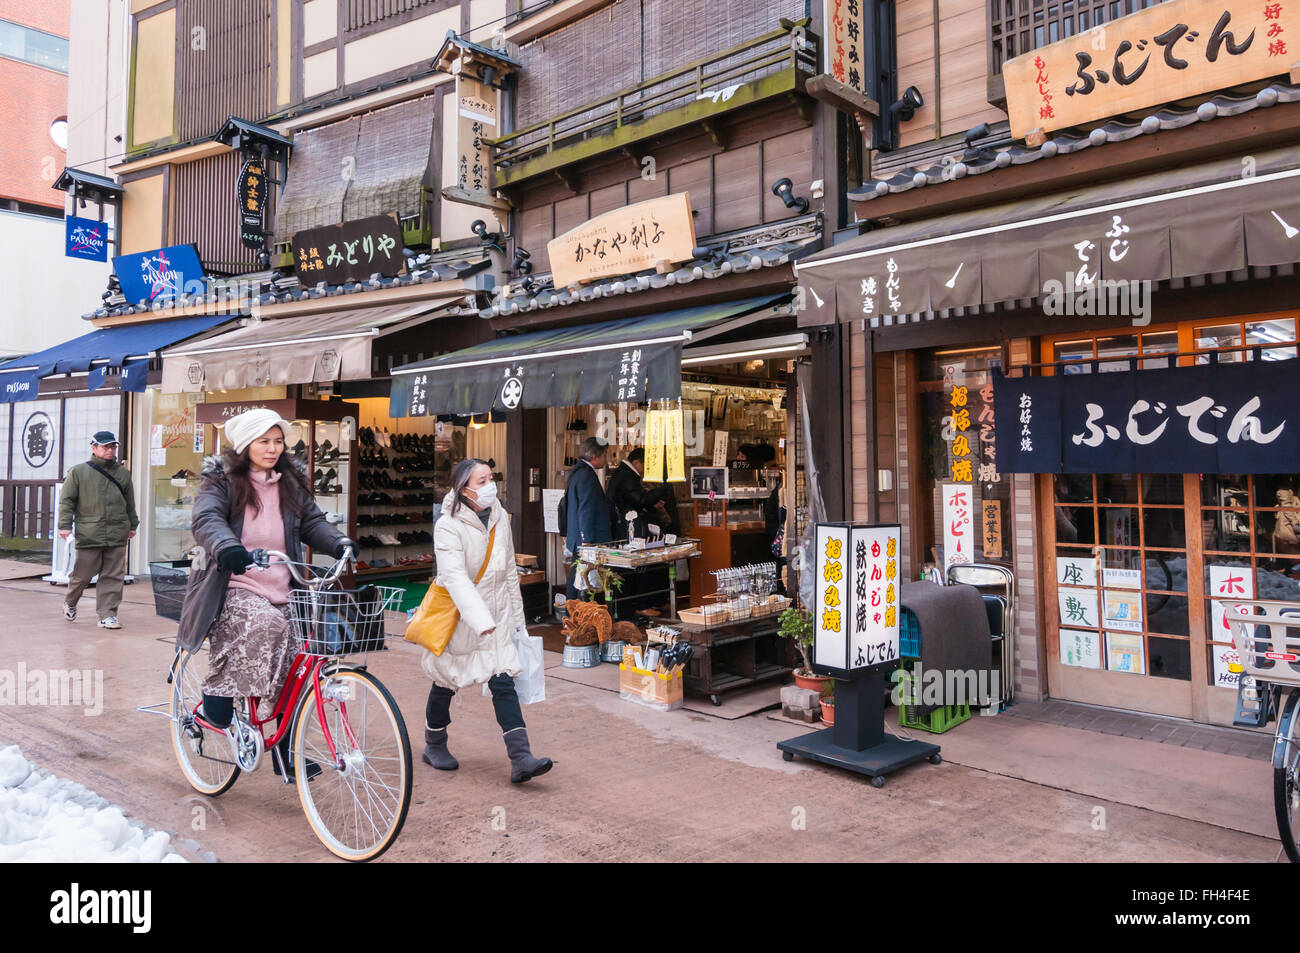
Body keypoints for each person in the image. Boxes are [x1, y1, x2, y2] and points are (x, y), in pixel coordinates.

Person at [176, 408, 351, 783]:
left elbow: (312, 522)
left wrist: (337, 543)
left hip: (283, 585)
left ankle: (286, 752)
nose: (272, 449)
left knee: (300, 661)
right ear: (245, 446)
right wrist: (227, 547)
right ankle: (216, 702)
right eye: (263, 442)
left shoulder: (289, 482)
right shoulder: (221, 482)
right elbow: (207, 519)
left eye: (277, 441)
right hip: (234, 582)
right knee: (265, 624)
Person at [421, 458, 552, 784]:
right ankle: (434, 743)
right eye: (482, 481)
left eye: (491, 478)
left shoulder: (498, 516)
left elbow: (508, 570)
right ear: (463, 488)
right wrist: (481, 620)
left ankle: (521, 757)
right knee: (446, 679)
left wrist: (517, 619)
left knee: (502, 680)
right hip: (461, 619)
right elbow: (454, 578)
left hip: (497, 616)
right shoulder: (448, 525)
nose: (490, 485)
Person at [59, 431, 139, 629]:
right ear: (93, 448)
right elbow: (67, 501)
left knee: (113, 576)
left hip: (117, 530)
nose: (110, 450)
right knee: (82, 575)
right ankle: (70, 601)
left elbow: (129, 502)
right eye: (105, 447)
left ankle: (107, 614)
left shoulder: (123, 473)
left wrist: (133, 524)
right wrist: (64, 525)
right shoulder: (78, 472)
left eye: (113, 446)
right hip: (89, 532)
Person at [563, 436, 612, 598]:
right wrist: (587, 540)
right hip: (587, 537)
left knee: (578, 573)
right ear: (594, 456)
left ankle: (571, 611)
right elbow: (586, 509)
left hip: (578, 535)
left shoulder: (578, 472)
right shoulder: (586, 476)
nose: (606, 458)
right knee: (583, 575)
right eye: (605, 454)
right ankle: (575, 611)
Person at [605, 448, 666, 540]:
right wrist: (660, 491)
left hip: (621, 521)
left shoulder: (625, 472)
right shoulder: (628, 475)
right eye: (645, 465)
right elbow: (640, 499)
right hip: (625, 523)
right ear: (636, 462)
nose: (646, 469)